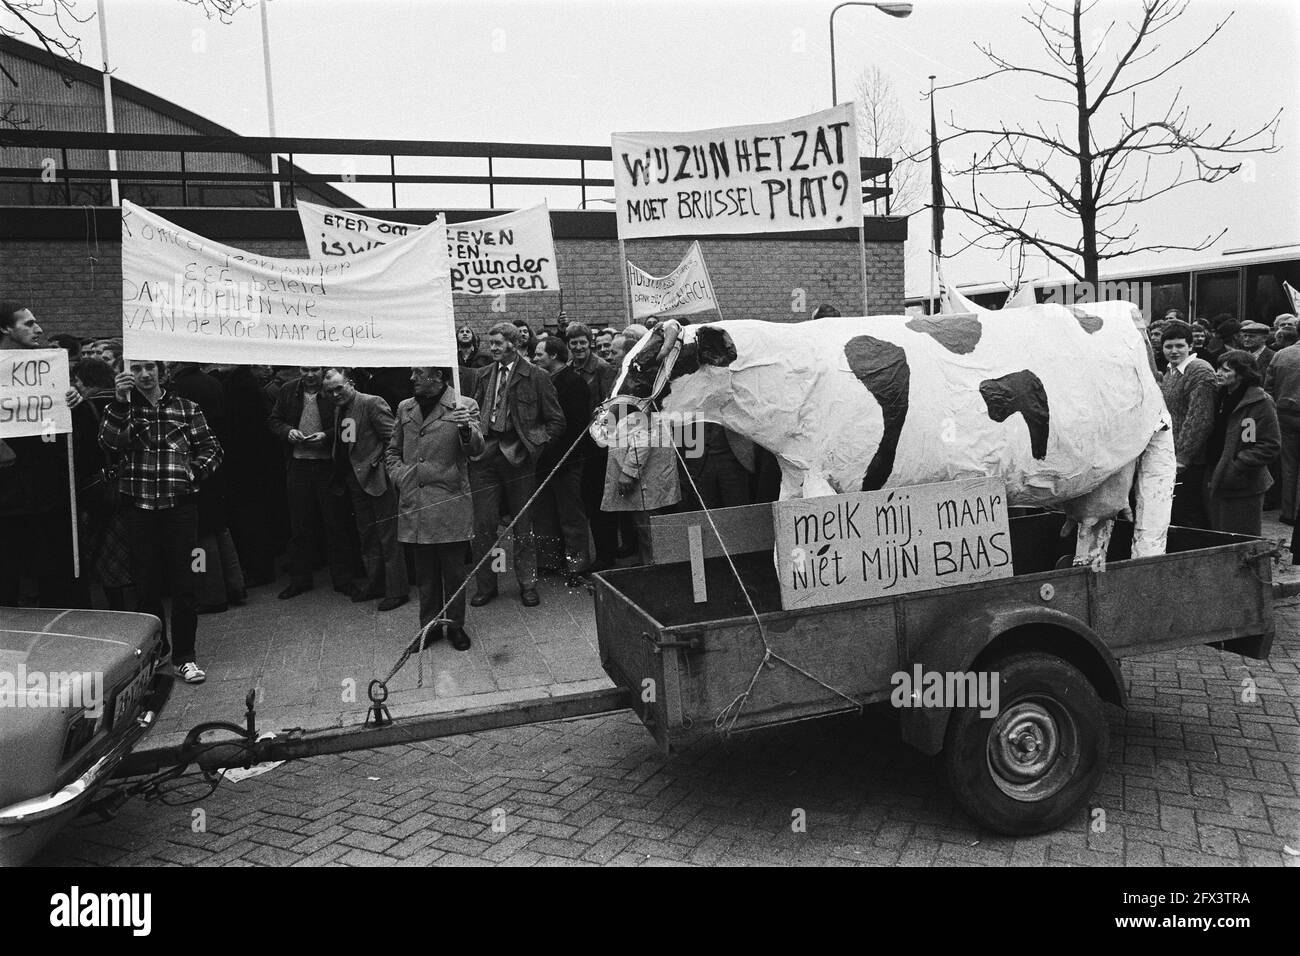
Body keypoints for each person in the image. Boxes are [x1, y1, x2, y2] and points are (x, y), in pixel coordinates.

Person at [99, 359, 222, 685]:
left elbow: (212, 448)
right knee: (146, 584)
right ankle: (158, 653)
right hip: (138, 507)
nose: (143, 374)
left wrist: (194, 471)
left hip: (179, 506)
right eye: (136, 369)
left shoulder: (186, 407)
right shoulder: (123, 407)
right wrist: (121, 402)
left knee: (185, 584)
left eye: (149, 367)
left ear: (160, 370)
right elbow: (109, 443)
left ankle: (185, 657)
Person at [469, 322, 565, 607]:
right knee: (484, 525)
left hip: (518, 457)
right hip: (484, 456)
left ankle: (527, 584)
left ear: (513, 343)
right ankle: (486, 586)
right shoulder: (483, 375)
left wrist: (534, 445)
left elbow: (557, 421)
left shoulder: (536, 376)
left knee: (524, 525)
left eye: (498, 343)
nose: (493, 348)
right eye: (491, 343)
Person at [387, 367, 483, 650]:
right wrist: (400, 476)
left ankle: (455, 627)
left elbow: (476, 450)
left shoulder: (463, 406)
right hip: (415, 502)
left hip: (448, 501)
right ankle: (428, 628)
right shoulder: (405, 407)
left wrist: (466, 428)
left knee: (454, 572)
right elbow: (392, 450)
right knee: (425, 574)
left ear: (439, 376)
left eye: (419, 373)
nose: (412, 378)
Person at [0, 303, 89, 609]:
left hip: (47, 490)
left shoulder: (48, 366)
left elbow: (64, 422)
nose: (38, 329)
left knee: (52, 570)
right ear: (6, 329)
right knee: (9, 574)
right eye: (29, 324)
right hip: (8, 494)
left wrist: (75, 399)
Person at [268, 365, 359, 600]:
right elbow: (274, 419)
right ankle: (300, 579)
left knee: (335, 523)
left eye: (314, 370)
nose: (309, 375)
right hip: (298, 464)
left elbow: (348, 423)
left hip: (327, 465)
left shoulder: (332, 390)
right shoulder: (288, 390)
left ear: (323, 370)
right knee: (299, 526)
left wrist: (327, 437)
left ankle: (343, 579)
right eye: (305, 370)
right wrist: (288, 432)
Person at [323, 367, 408, 611]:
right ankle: (376, 583)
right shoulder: (341, 407)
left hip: (378, 478)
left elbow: (393, 439)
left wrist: (378, 465)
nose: (336, 393)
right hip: (356, 481)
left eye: (339, 387)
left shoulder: (371, 403)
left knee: (388, 536)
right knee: (368, 535)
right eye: (330, 391)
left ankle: (397, 590)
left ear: (350, 383)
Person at [167, 361, 246, 614]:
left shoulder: (180, 389)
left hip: (193, 468)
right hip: (214, 466)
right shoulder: (211, 382)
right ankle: (235, 585)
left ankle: (210, 594)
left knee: (200, 535)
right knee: (219, 528)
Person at [532, 337, 591, 583]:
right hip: (543, 458)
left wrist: (560, 455)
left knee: (570, 514)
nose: (534, 359)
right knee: (544, 512)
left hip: (566, 459)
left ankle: (577, 564)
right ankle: (549, 560)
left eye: (539, 354)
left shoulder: (573, 383)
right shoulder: (541, 381)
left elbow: (576, 425)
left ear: (554, 355)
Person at [1203, 351, 1280, 537]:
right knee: (1218, 533)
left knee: (1240, 537)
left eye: (1225, 370)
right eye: (1218, 368)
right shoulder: (1220, 395)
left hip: (1244, 484)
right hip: (1216, 475)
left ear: (1243, 374)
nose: (1218, 373)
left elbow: (1269, 445)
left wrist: (1237, 466)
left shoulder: (1260, 402)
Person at [565, 322, 619, 570]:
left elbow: (611, 406)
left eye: (582, 343)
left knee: (599, 501)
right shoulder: (569, 369)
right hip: (577, 443)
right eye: (573, 343)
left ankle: (606, 556)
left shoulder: (602, 368)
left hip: (598, 442)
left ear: (590, 344)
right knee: (584, 500)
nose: (578, 347)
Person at [1160, 321, 1216, 529]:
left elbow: (1200, 419)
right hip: (1172, 452)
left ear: (1190, 346)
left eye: (1180, 346)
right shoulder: (1172, 370)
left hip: (1191, 458)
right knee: (1177, 509)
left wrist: (1183, 457)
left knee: (1190, 510)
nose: (1174, 351)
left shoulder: (1199, 371)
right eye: (1169, 346)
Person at [1264, 330, 1300, 524]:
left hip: (1285, 414)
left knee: (1288, 465)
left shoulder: (1282, 354)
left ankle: (1288, 512)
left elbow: (1268, 387)